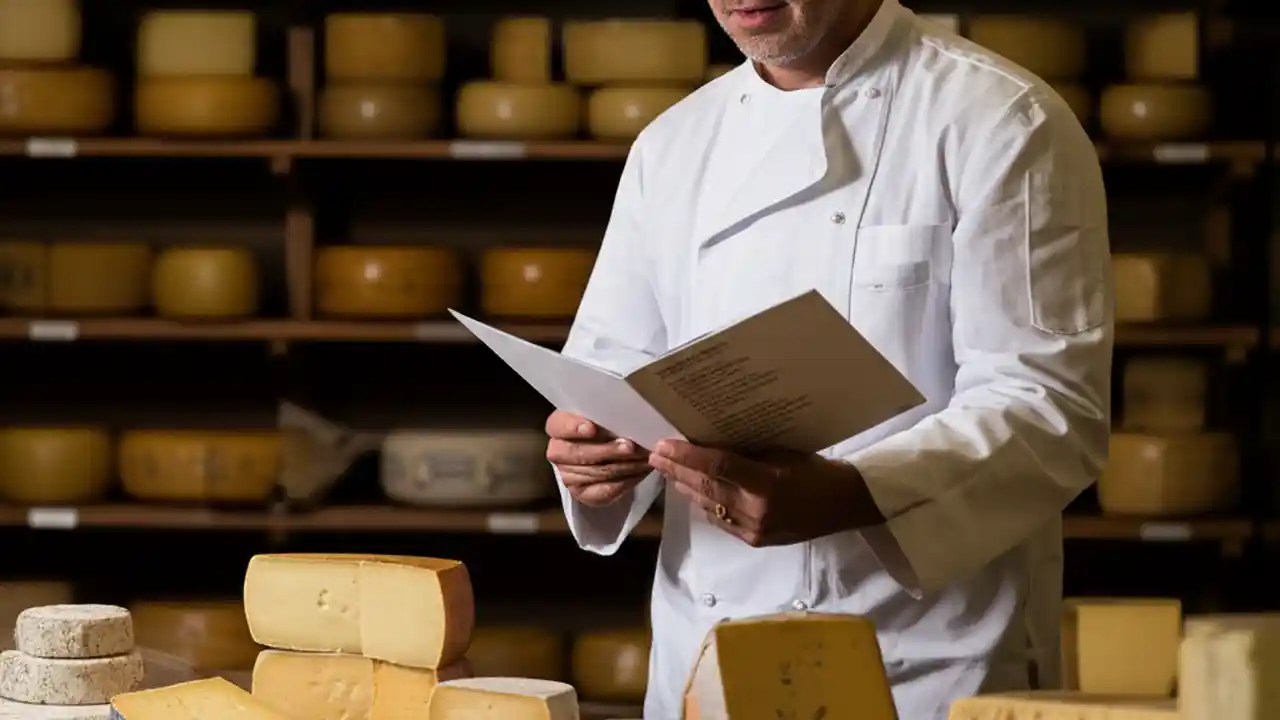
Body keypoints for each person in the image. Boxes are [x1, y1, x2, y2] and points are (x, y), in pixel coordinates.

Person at [545, 0, 1113, 716]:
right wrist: (592, 457)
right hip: (710, 651)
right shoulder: (675, 144)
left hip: (925, 662)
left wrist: (855, 494)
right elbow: (610, 373)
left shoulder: (999, 119)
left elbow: (1050, 407)